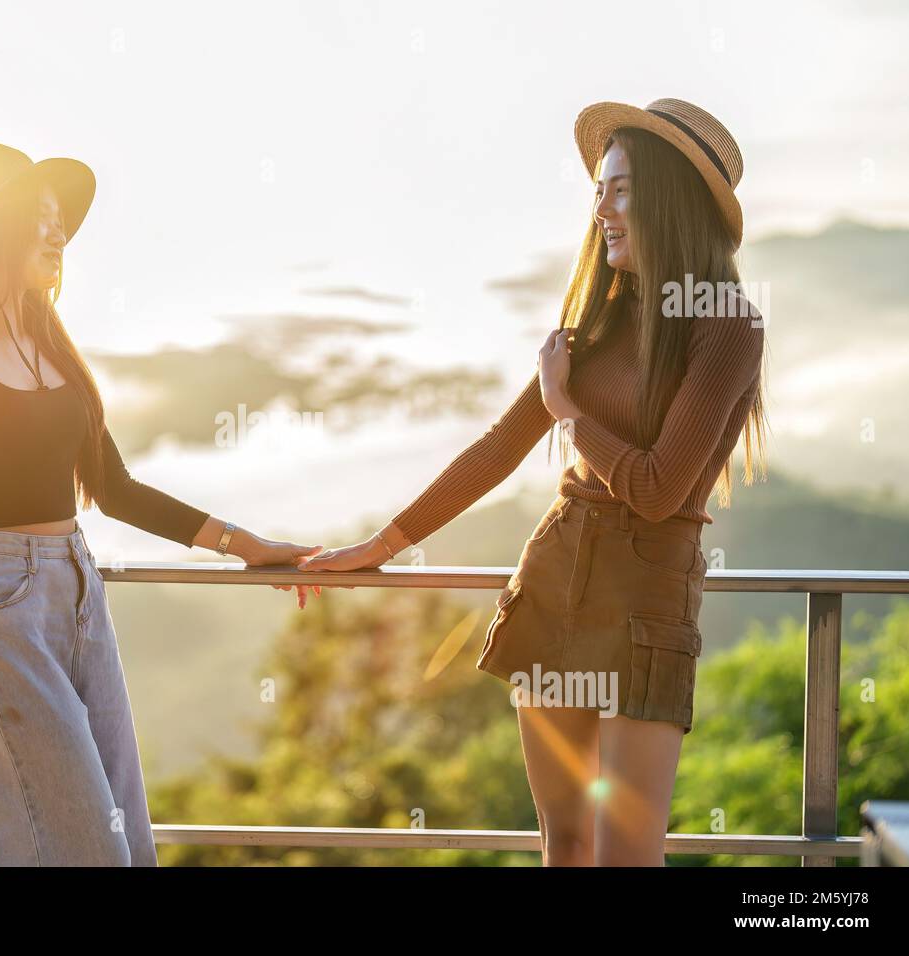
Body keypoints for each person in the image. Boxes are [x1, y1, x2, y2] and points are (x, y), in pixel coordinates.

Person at [299, 99, 769, 866]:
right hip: (554, 578)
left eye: (621, 190)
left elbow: (655, 490)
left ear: (671, 201)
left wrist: (566, 409)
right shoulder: (596, 321)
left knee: (624, 852)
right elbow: (496, 450)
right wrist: (380, 544)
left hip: (648, 598)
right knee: (566, 843)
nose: (603, 210)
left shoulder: (728, 326)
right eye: (599, 191)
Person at [0, 142, 319, 866]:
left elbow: (113, 487)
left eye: (61, 220)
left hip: (78, 586)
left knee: (127, 837)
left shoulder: (47, 341)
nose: (59, 234)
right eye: (43, 217)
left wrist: (247, 545)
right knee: (87, 850)